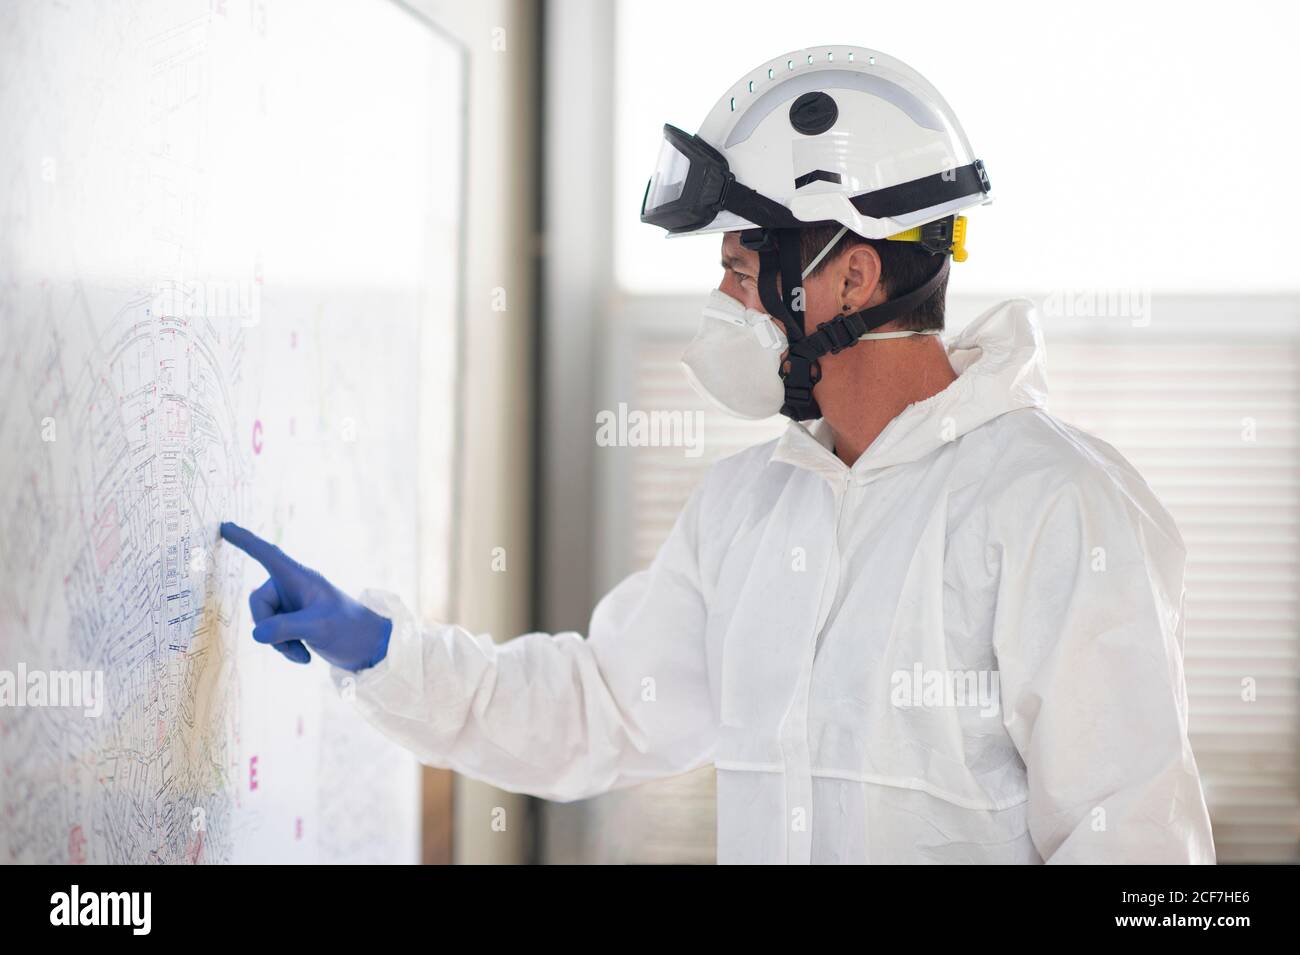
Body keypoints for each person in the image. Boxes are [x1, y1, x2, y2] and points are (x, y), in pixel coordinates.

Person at [221, 45, 1215, 864]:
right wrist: (384, 651)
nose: (722, 307)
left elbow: (1135, 847)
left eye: (743, 270)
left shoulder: (1054, 506)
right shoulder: (750, 507)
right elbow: (597, 709)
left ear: (851, 276)